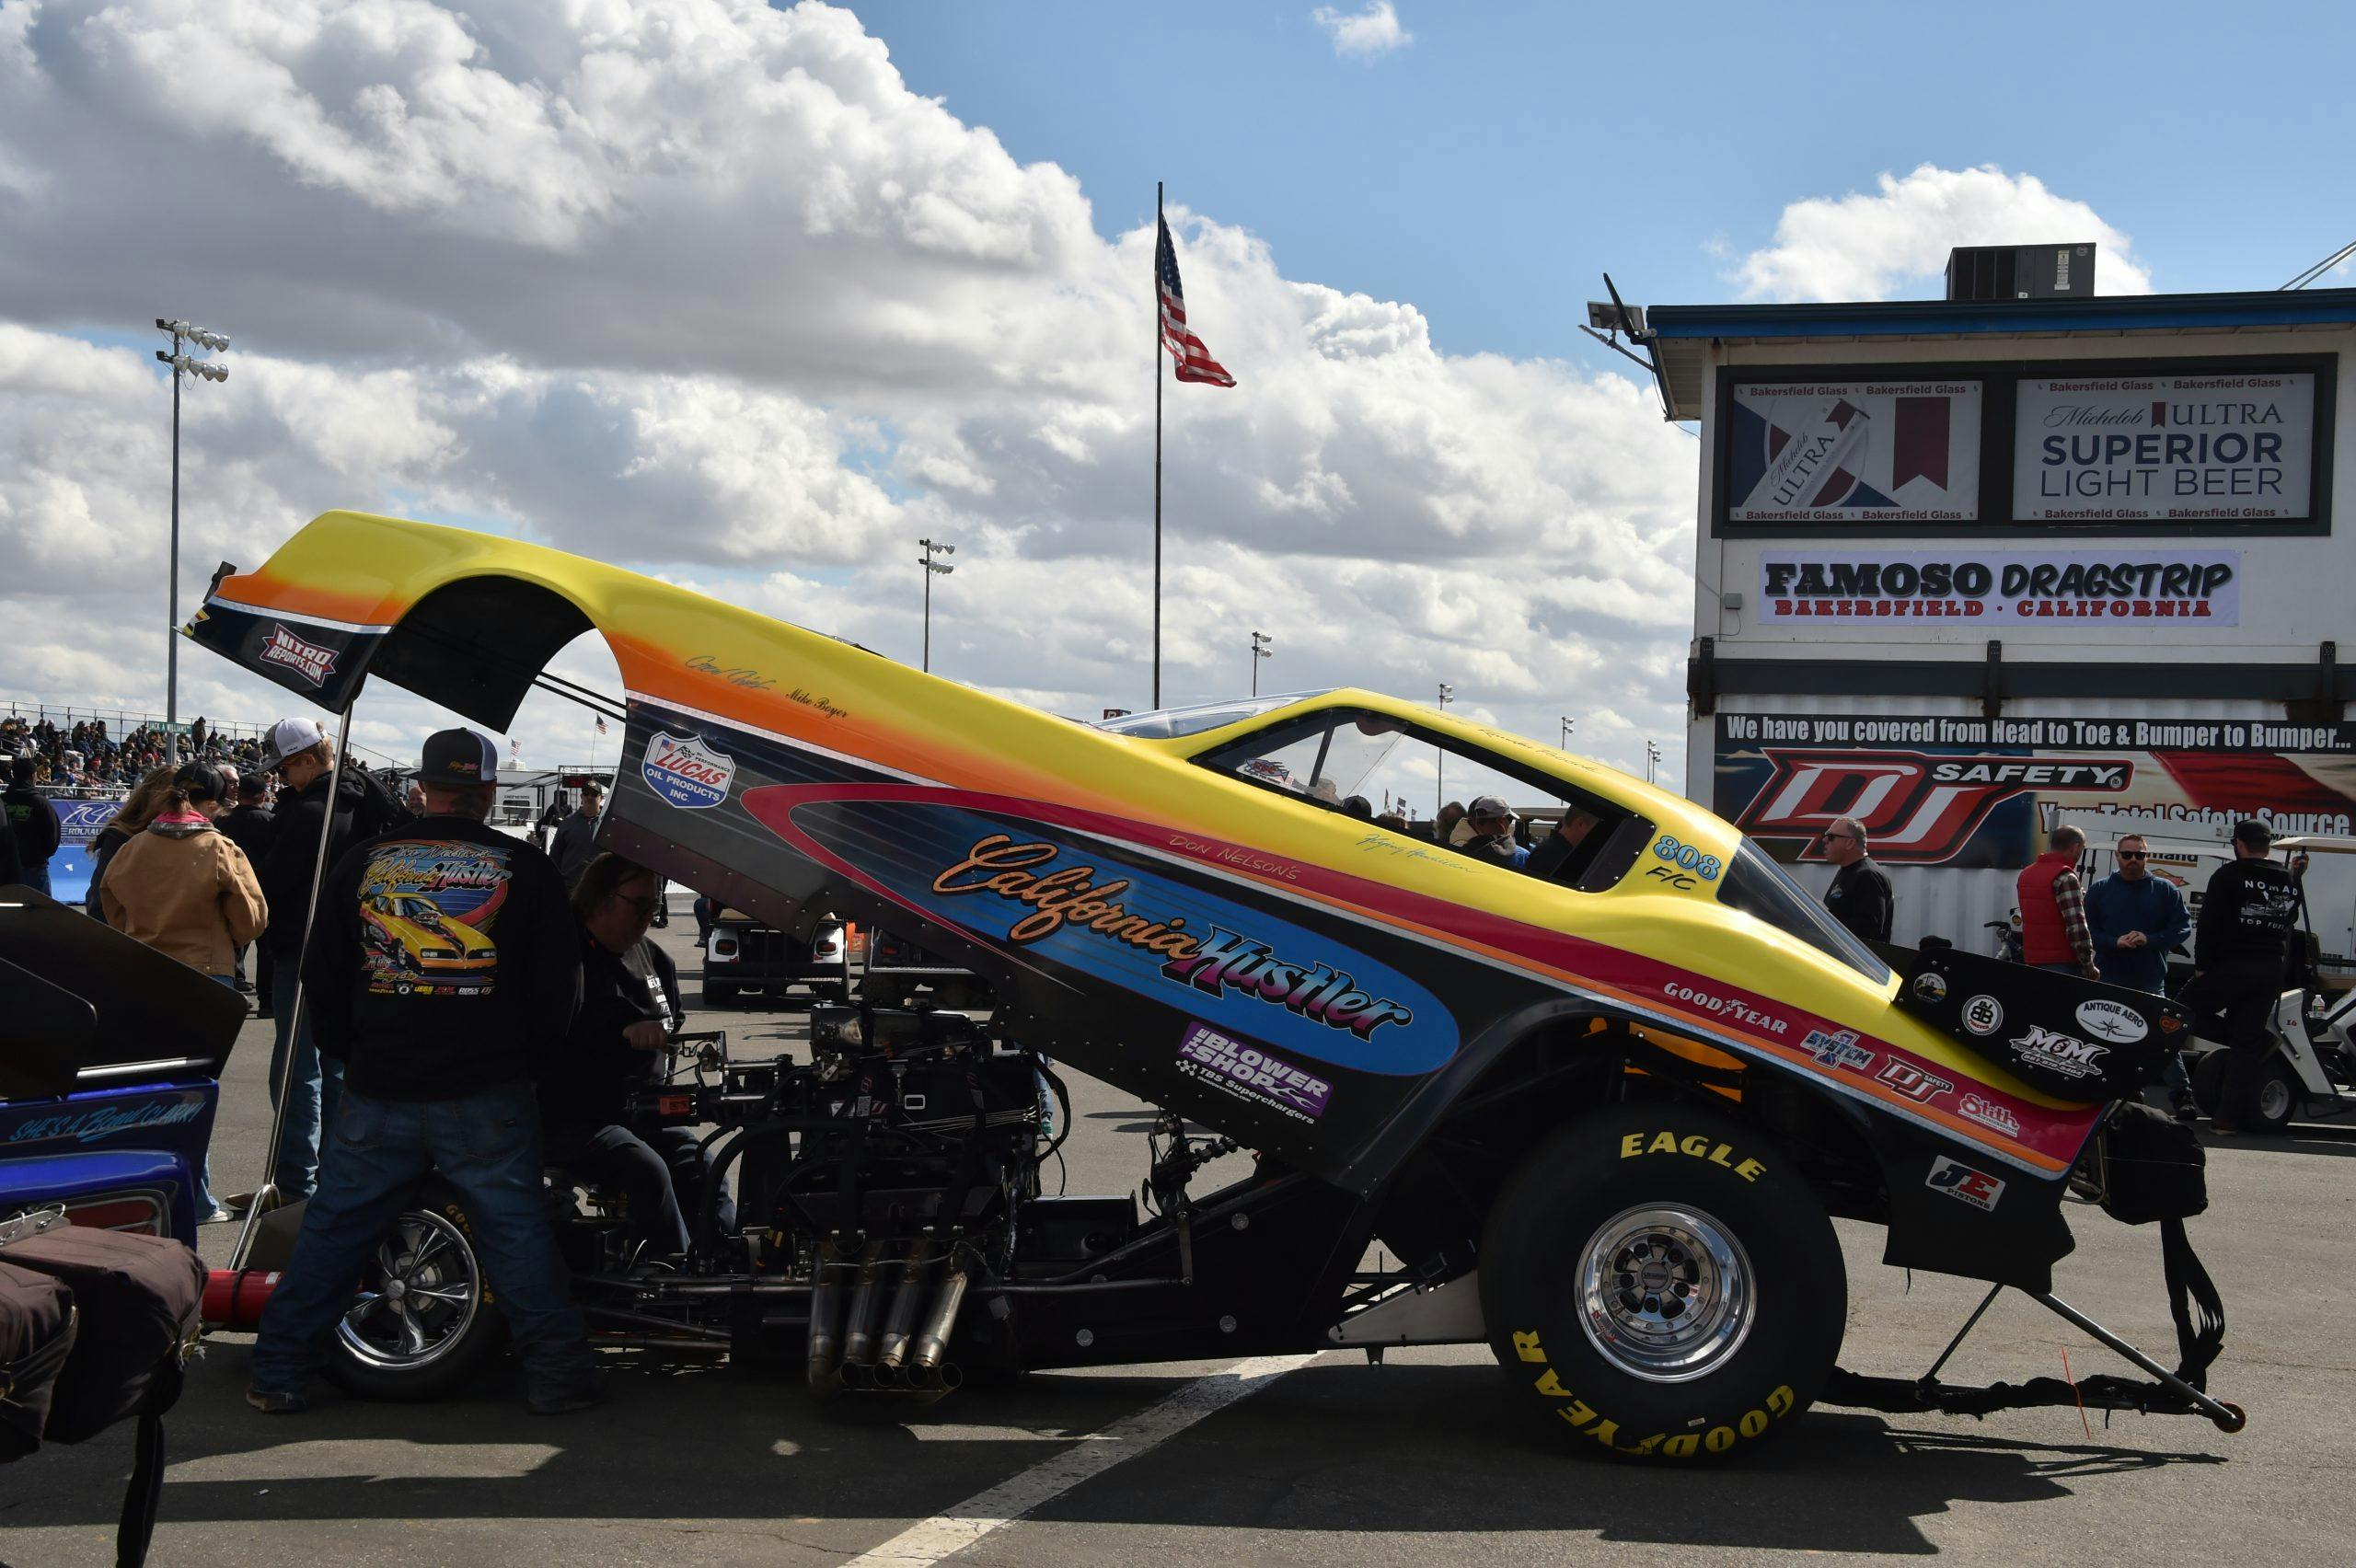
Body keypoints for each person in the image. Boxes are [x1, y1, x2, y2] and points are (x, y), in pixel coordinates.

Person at [248, 727, 596, 1415]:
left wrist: (356, 1051)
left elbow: (321, 975)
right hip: (486, 1088)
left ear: (423, 789)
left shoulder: (364, 861)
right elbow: (563, 991)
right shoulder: (524, 868)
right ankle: (559, 1375)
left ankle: (278, 1372)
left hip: (382, 1084)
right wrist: (525, 1059)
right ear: (490, 793)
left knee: (333, 1229)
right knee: (516, 1230)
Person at [246, 717, 407, 1208]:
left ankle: (297, 1183)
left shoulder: (311, 811)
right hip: (354, 949)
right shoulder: (364, 798)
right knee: (334, 1065)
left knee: (296, 1071)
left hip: (305, 948)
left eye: (285, 767)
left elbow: (272, 886)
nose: (279, 778)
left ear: (309, 759)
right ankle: (338, 1173)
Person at [540, 855, 733, 1262]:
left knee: (705, 1166)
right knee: (648, 1171)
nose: (649, 916)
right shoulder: (562, 956)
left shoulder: (652, 958)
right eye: (640, 905)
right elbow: (549, 1031)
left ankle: (724, 1265)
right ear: (601, 899)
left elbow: (672, 1017)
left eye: (655, 905)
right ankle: (671, 1281)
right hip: (575, 1115)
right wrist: (620, 1033)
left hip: (643, 1111)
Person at [98, 761, 267, 1224]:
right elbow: (251, 920)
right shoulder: (219, 848)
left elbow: (110, 909)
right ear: (209, 804)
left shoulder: (131, 848)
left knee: (154, 1090)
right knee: (196, 1092)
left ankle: (155, 1189)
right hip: (205, 977)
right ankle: (196, 1200)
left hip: (145, 975)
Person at [2177, 820, 2303, 1134]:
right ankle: (2226, 1119)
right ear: (2267, 845)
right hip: (2270, 968)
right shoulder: (2287, 878)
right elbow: (2290, 916)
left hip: (2232, 966)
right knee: (2245, 1043)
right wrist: (2297, 878)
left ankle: (2254, 1040)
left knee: (2179, 1013)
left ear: (2239, 844)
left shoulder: (2228, 875)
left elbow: (2208, 924)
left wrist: (2203, 965)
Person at [2086, 833, 2196, 1117]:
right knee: (2110, 1036)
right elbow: (2088, 932)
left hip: (2150, 977)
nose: (2133, 860)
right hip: (2110, 974)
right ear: (2117, 856)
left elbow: (2182, 928)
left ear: (2147, 857)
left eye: (2140, 855)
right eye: (2128, 854)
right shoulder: (2100, 890)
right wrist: (2114, 942)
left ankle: (2182, 1095)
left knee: (2162, 1037)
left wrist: (2150, 938)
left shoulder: (2164, 890)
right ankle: (2120, 1091)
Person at [84, 767, 181, 919]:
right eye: (176, 800)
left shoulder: (187, 837)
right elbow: (100, 903)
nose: (184, 808)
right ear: (157, 798)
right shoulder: (120, 836)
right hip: (126, 935)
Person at [2016, 824, 2098, 980]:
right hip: (2063, 964)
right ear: (2075, 847)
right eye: (2082, 847)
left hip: (2032, 959)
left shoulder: (2026, 874)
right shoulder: (2066, 877)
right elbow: (2076, 927)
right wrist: (2088, 965)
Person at [1819, 816, 1894, 943]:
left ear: (1850, 843)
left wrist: (1825, 921)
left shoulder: (1868, 876)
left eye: (1831, 837)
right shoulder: (1847, 870)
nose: (1825, 840)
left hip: (1856, 961)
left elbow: (1868, 931)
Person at [5, 754, 59, 894]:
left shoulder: (2, 801)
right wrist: (39, 856)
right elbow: (53, 837)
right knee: (40, 912)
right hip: (34, 867)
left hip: (5, 868)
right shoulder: (40, 803)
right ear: (33, 776)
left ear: (13, 774)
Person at [552, 781, 604, 890]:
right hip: (570, 887)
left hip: (599, 889)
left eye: (594, 794)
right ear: (581, 796)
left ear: (601, 797)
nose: (589, 797)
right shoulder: (567, 823)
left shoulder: (608, 822)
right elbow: (555, 855)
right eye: (586, 794)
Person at [1457, 796, 1530, 869]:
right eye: (1509, 819)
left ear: (1477, 824)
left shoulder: (1461, 853)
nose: (1509, 823)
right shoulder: (1523, 856)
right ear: (1500, 821)